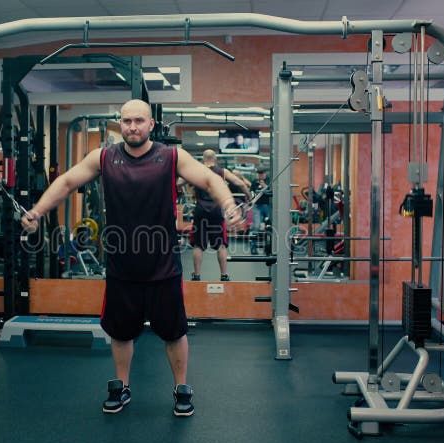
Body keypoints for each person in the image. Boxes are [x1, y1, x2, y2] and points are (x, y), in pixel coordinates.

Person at [20, 99, 241, 418]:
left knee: (174, 332)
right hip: (122, 264)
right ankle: (121, 387)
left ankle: (181, 388)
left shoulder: (171, 156)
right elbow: (68, 182)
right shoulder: (104, 157)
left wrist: (228, 204)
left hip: (163, 265)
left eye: (139, 120)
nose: (132, 126)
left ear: (151, 124)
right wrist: (38, 211)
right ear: (119, 124)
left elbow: (209, 180)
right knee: (121, 332)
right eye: (126, 121)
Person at [190, 149, 250, 282]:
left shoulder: (195, 170)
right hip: (217, 210)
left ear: (203, 159)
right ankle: (223, 275)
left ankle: (197, 275)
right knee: (221, 244)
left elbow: (178, 183)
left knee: (198, 245)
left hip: (200, 210)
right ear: (215, 159)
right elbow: (239, 183)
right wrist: (249, 195)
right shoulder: (222, 172)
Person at [249, 167, 271, 255]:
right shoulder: (254, 182)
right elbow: (251, 191)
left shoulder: (270, 181)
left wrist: (265, 186)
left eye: (262, 173)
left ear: (265, 173)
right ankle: (253, 247)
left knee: (269, 226)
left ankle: (268, 247)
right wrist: (252, 197)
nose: (260, 175)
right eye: (259, 173)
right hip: (257, 206)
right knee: (256, 226)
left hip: (268, 206)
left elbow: (273, 191)